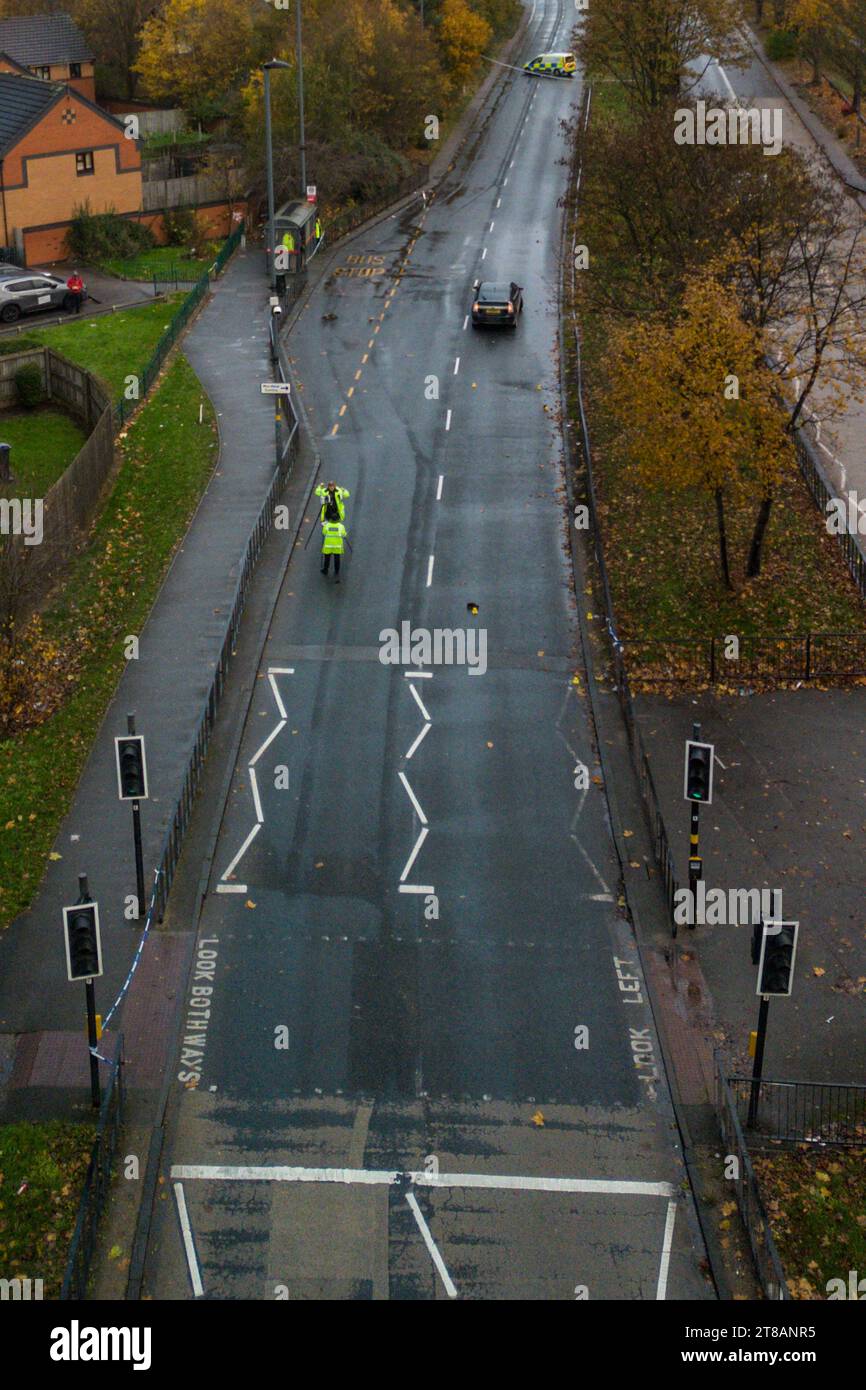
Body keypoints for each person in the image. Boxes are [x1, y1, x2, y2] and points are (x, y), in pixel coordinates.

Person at [320, 517, 347, 581]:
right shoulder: (341, 526)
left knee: (327, 558)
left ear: (331, 520)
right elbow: (344, 535)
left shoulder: (326, 526)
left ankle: (325, 570)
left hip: (328, 545)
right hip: (337, 546)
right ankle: (337, 570)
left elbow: (323, 533)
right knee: (337, 558)